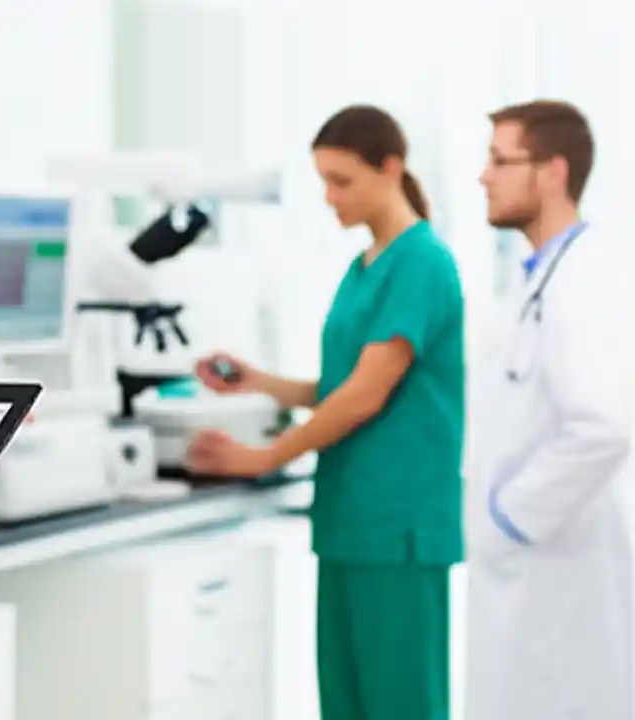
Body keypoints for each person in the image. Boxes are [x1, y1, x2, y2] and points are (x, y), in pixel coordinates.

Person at [190, 105, 465, 720]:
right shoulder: (363, 265)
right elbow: (340, 386)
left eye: (342, 181)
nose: (329, 197)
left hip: (399, 527)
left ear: (390, 169)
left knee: (400, 704)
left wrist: (262, 457)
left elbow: (367, 394)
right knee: (346, 705)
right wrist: (259, 383)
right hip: (349, 521)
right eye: (323, 181)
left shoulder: (421, 261)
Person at [465, 99, 635, 720]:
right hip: (531, 575)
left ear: (553, 172)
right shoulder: (543, 277)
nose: (484, 176)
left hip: (554, 571)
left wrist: (510, 519)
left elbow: (604, 427)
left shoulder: (588, 280)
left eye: (499, 160)